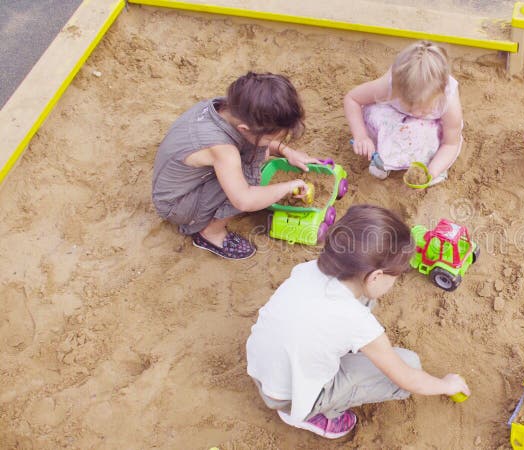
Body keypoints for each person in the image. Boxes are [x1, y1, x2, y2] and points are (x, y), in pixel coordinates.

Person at [246, 205, 470, 439]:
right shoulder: (356, 322)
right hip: (289, 395)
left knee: (361, 304)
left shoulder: (306, 270)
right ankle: (314, 414)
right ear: (376, 276)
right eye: (396, 275)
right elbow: (408, 378)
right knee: (411, 363)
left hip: (263, 366)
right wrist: (447, 385)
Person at [152, 72, 318, 260]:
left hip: (179, 182)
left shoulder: (233, 108)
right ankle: (210, 233)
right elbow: (243, 200)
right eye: (273, 139)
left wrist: (287, 152)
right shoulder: (223, 150)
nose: (277, 142)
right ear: (244, 129)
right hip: (176, 204)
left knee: (257, 150)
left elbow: (253, 138)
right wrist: (289, 186)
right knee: (251, 169)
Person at [344, 41, 463, 185]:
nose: (415, 112)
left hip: (428, 128)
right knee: (373, 114)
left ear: (440, 94)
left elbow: (450, 143)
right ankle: (383, 157)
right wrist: (361, 136)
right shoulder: (389, 85)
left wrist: (431, 172)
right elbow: (352, 99)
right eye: (408, 105)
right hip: (395, 117)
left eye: (424, 109)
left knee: (427, 136)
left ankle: (434, 165)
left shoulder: (448, 102)